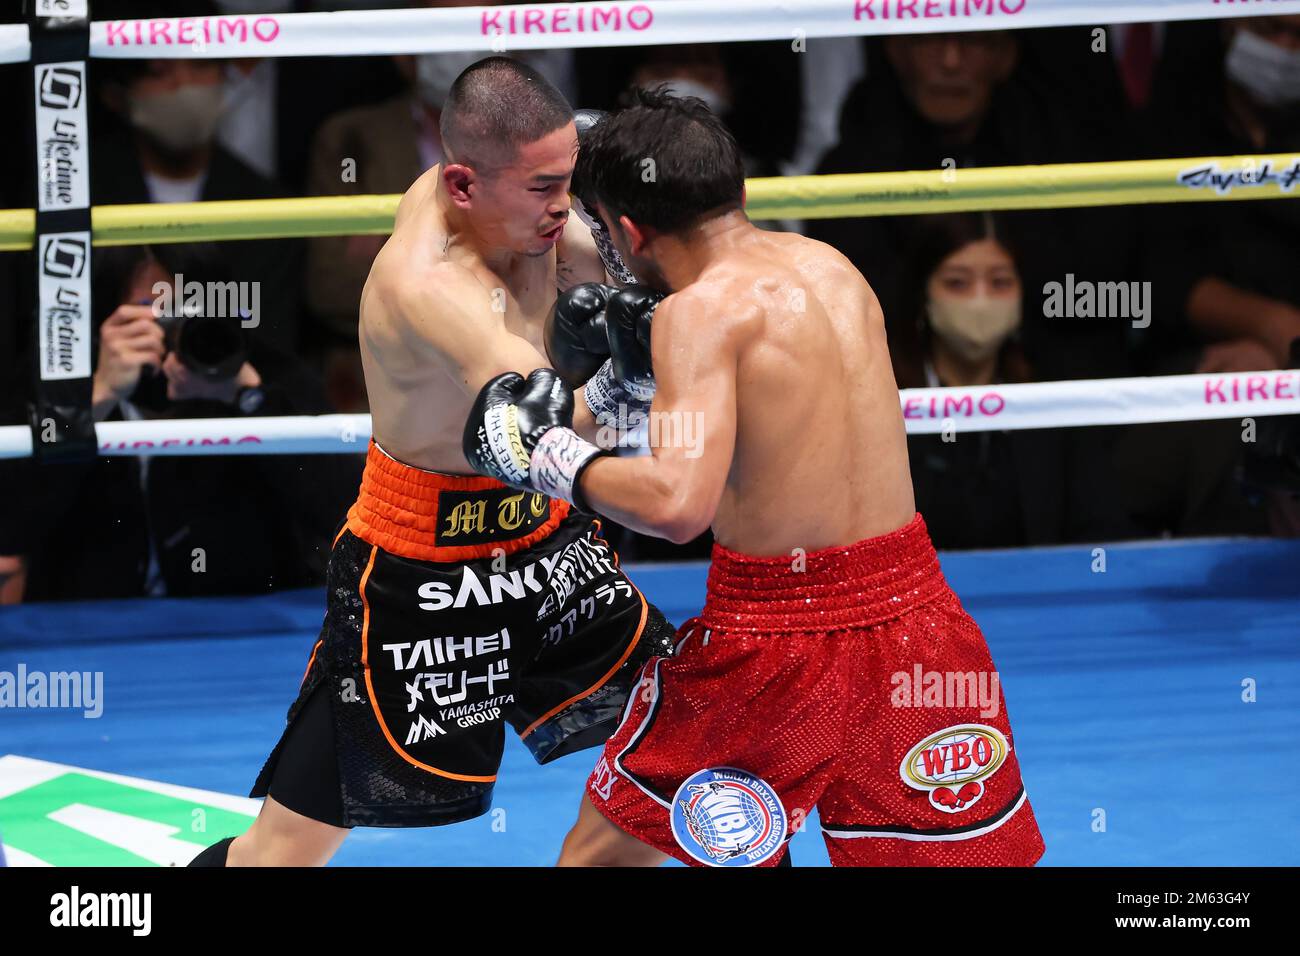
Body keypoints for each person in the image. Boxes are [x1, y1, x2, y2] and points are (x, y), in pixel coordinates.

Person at [463, 89, 1046, 867]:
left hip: (774, 643)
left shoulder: (698, 315)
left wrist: (547, 458)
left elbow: (677, 503)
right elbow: (766, 435)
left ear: (627, 229)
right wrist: (621, 394)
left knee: (599, 856)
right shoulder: (833, 268)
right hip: (920, 626)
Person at [186, 58, 675, 867]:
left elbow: (617, 265)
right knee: (284, 852)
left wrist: (639, 273)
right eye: (544, 188)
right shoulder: (429, 288)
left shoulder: (504, 194)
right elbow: (527, 429)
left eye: (569, 180)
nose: (564, 207)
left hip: (545, 545)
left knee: (690, 724)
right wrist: (629, 384)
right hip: (421, 574)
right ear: (460, 187)